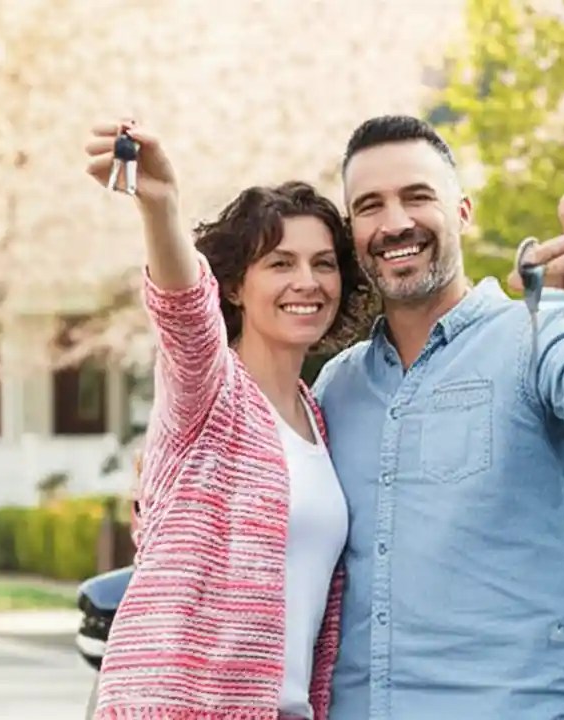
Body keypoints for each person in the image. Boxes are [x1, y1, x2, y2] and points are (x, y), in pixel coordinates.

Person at [311, 115, 564, 719]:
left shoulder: (535, 335)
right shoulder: (337, 385)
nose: (395, 222)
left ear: (461, 211)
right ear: (353, 233)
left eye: (417, 196)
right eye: (370, 206)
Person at [82, 119, 371, 720]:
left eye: (323, 264)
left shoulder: (316, 413)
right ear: (235, 286)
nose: (307, 283)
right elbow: (185, 315)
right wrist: (161, 208)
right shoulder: (210, 392)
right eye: (281, 264)